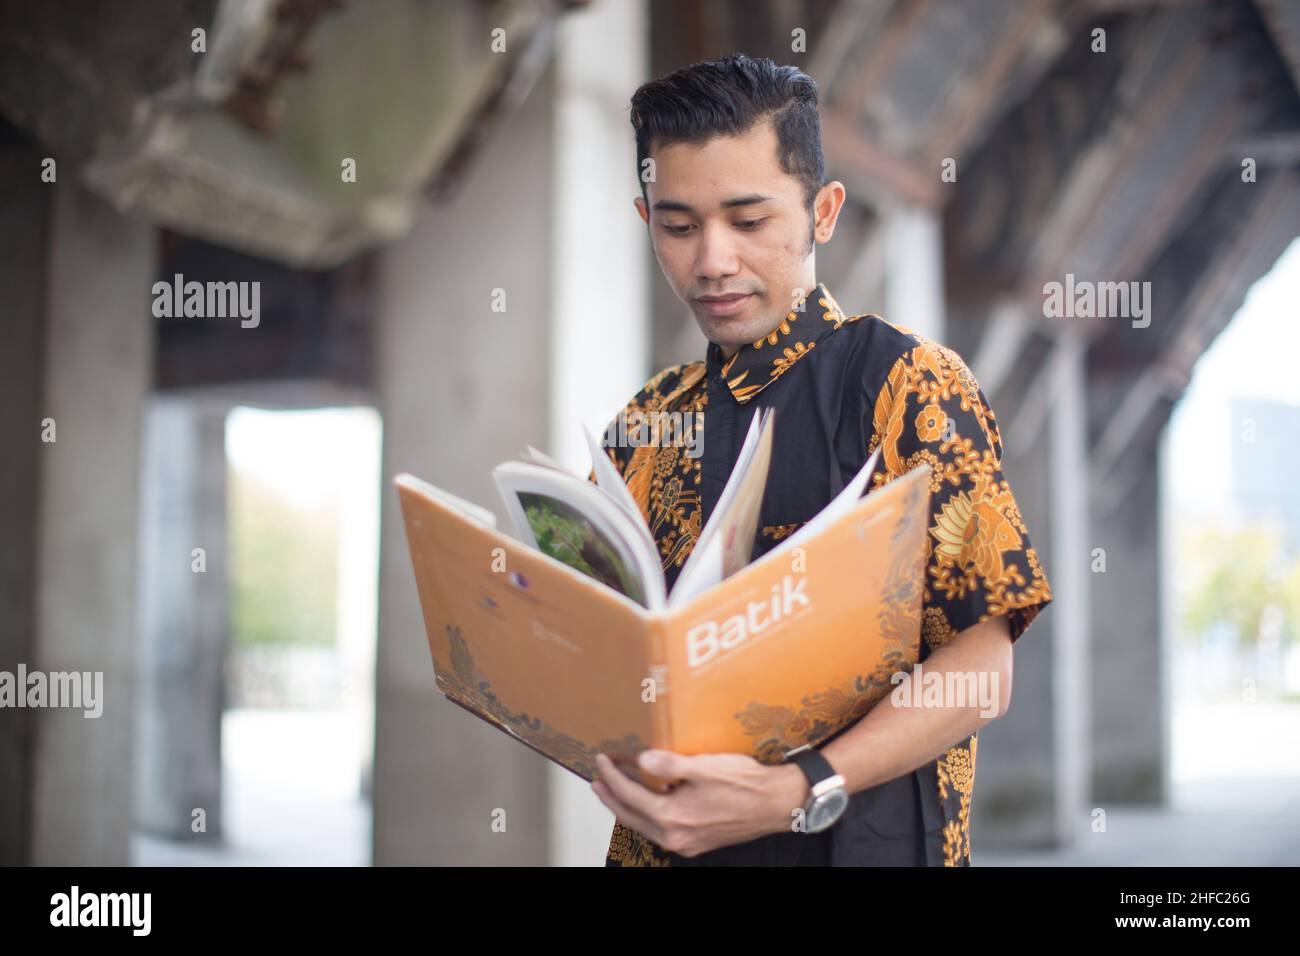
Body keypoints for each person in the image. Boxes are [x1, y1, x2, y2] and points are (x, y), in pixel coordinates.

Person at [590, 53, 1053, 867]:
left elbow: (981, 672)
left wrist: (794, 790)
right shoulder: (646, 422)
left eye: (749, 219)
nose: (713, 261)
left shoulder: (907, 384)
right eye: (679, 224)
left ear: (823, 212)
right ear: (646, 220)